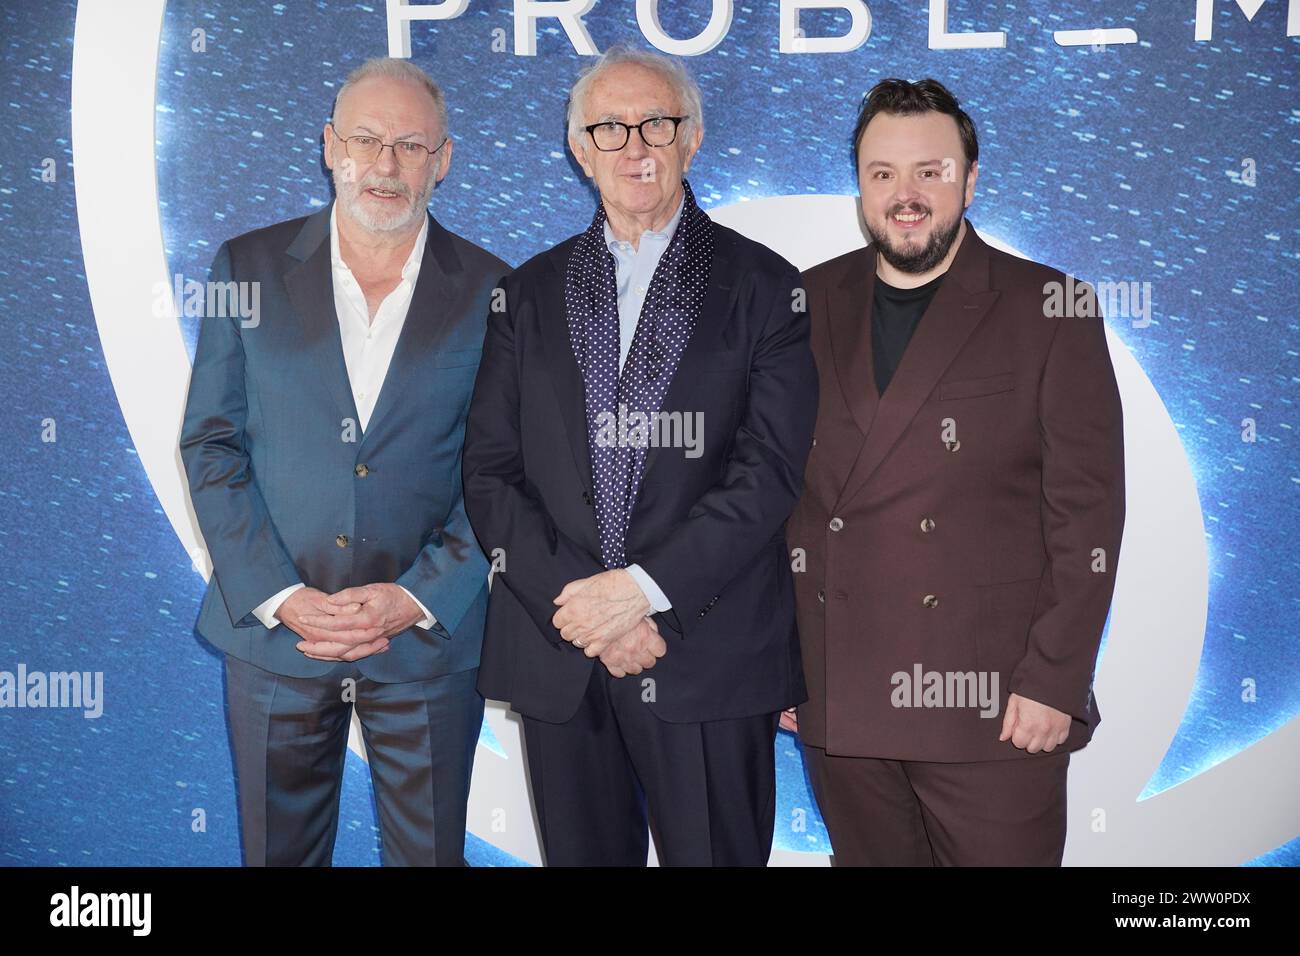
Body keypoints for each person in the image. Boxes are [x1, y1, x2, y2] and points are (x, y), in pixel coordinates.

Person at [462, 45, 818, 866]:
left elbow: (768, 472)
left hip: (707, 655)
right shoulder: (525, 294)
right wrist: (589, 614)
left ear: (692, 138)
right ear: (578, 149)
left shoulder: (768, 287)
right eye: (609, 129)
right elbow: (489, 473)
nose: (635, 147)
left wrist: (641, 594)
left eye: (657, 123)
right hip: (562, 654)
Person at [788, 78, 1125, 866]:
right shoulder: (802, 301)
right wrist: (782, 667)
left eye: (930, 172)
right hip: (842, 698)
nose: (905, 196)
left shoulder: (1052, 307)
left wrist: (1054, 682)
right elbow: (777, 496)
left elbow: (1087, 517)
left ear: (970, 181)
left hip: (995, 710)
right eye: (882, 173)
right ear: (860, 185)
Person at [180, 57, 506, 866]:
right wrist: (280, 595)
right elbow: (211, 442)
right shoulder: (244, 267)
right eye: (365, 140)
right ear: (331, 147)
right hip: (277, 640)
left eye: (410, 145)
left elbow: (503, 470)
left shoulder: (497, 290)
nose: (385, 165)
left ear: (443, 159)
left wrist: (415, 598)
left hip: (425, 644)